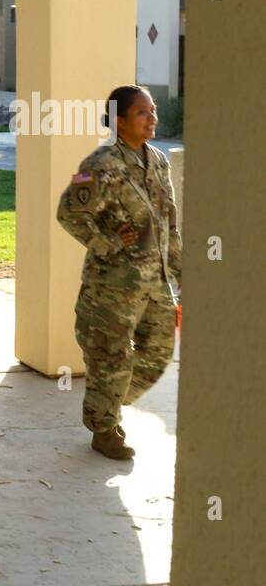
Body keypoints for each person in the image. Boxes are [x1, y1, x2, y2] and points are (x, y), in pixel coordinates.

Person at [57, 85, 181, 459]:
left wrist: (181, 271)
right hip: (112, 287)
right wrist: (109, 241)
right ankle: (104, 427)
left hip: (155, 282)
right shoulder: (101, 164)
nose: (152, 118)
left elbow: (168, 222)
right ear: (120, 120)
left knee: (158, 351)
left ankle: (106, 397)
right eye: (143, 112)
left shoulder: (158, 160)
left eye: (153, 110)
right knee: (112, 356)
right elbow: (70, 214)